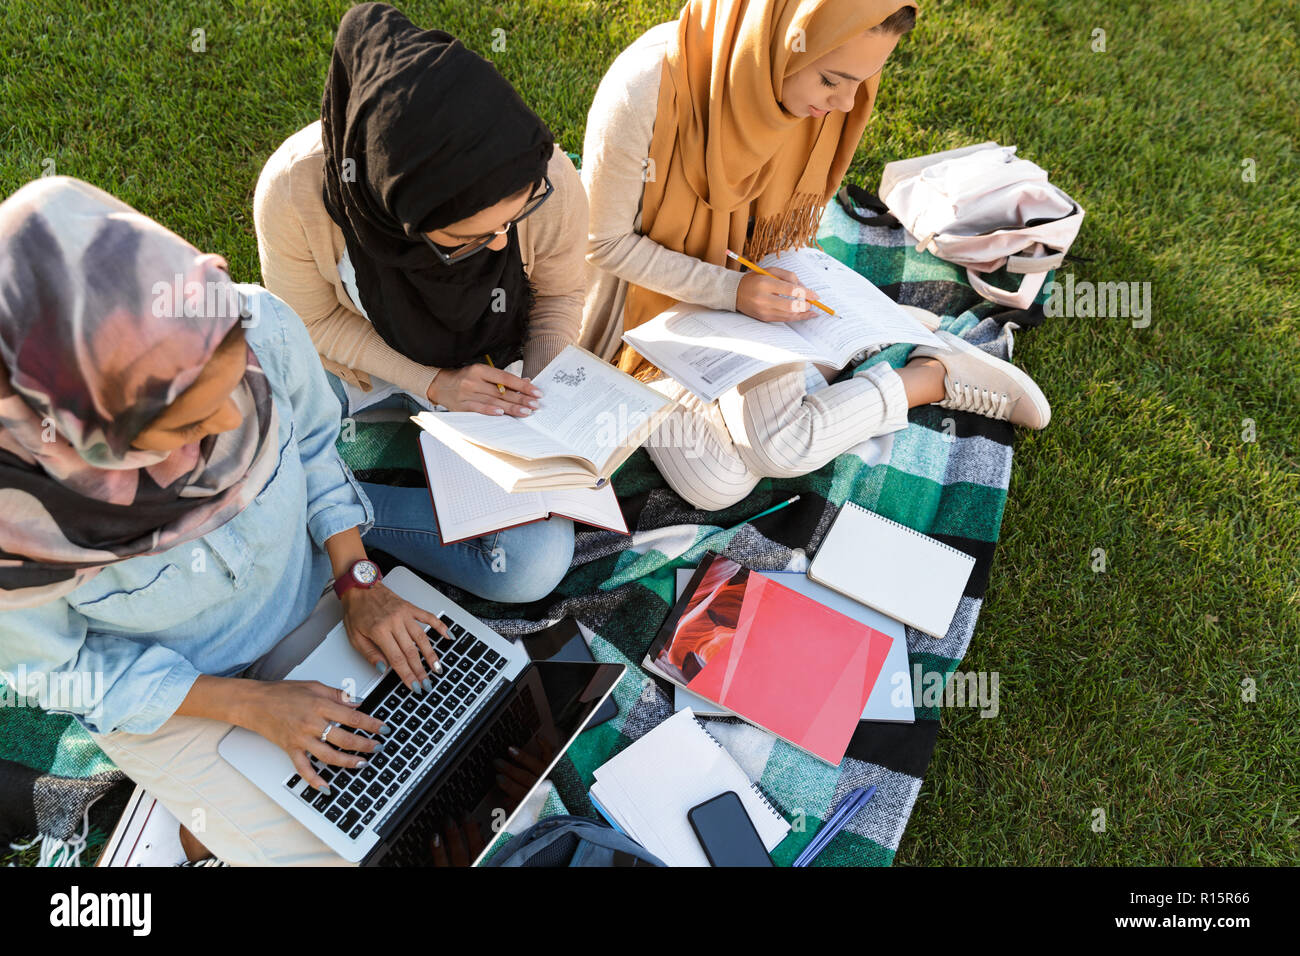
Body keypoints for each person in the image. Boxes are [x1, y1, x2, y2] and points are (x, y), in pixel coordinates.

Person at [0, 177, 539, 865]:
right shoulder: (14, 533)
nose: (233, 426)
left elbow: (314, 446)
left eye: (236, 385)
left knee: (484, 744)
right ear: (83, 429)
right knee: (344, 854)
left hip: (321, 602)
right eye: (189, 424)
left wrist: (359, 581)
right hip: (184, 691)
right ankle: (178, 826)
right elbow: (65, 673)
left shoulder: (259, 324)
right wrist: (253, 707)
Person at [579, 0, 1051, 511]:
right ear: (779, 36)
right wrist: (731, 292)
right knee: (714, 483)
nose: (848, 103)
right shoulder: (645, 87)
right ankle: (905, 365)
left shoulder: (821, 99)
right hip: (647, 312)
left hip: (754, 284)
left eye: (863, 81)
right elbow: (604, 243)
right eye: (832, 80)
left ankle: (919, 372)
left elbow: (780, 237)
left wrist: (748, 293)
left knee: (781, 446)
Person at [254, 3, 581, 597]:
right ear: (402, 211)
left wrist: (548, 394)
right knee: (249, 424)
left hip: (493, 369)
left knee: (531, 561)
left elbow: (560, 294)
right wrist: (432, 383)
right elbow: (311, 321)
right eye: (469, 237)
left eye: (514, 219)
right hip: (357, 365)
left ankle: (311, 515)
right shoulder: (295, 194)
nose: (503, 242)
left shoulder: (540, 176)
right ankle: (322, 513)